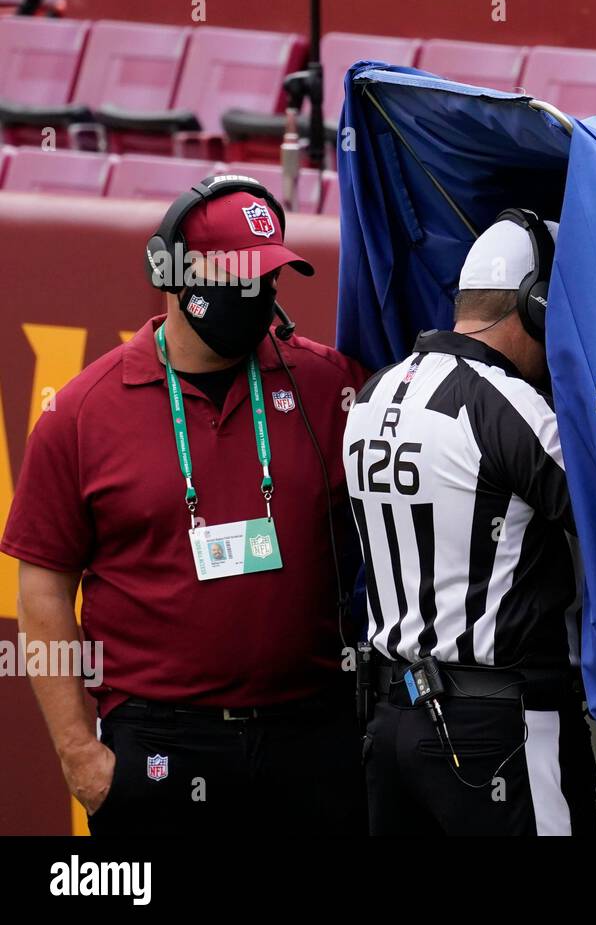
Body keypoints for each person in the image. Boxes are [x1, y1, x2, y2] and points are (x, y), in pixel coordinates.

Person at [1, 175, 369, 835]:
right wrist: (80, 753)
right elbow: (42, 587)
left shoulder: (327, 385)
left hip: (311, 739)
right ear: (173, 272)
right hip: (161, 743)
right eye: (239, 277)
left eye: (270, 278)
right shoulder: (83, 412)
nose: (256, 295)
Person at [345, 209, 596, 835]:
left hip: (392, 717)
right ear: (538, 306)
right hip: (495, 726)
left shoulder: (374, 392)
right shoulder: (503, 401)